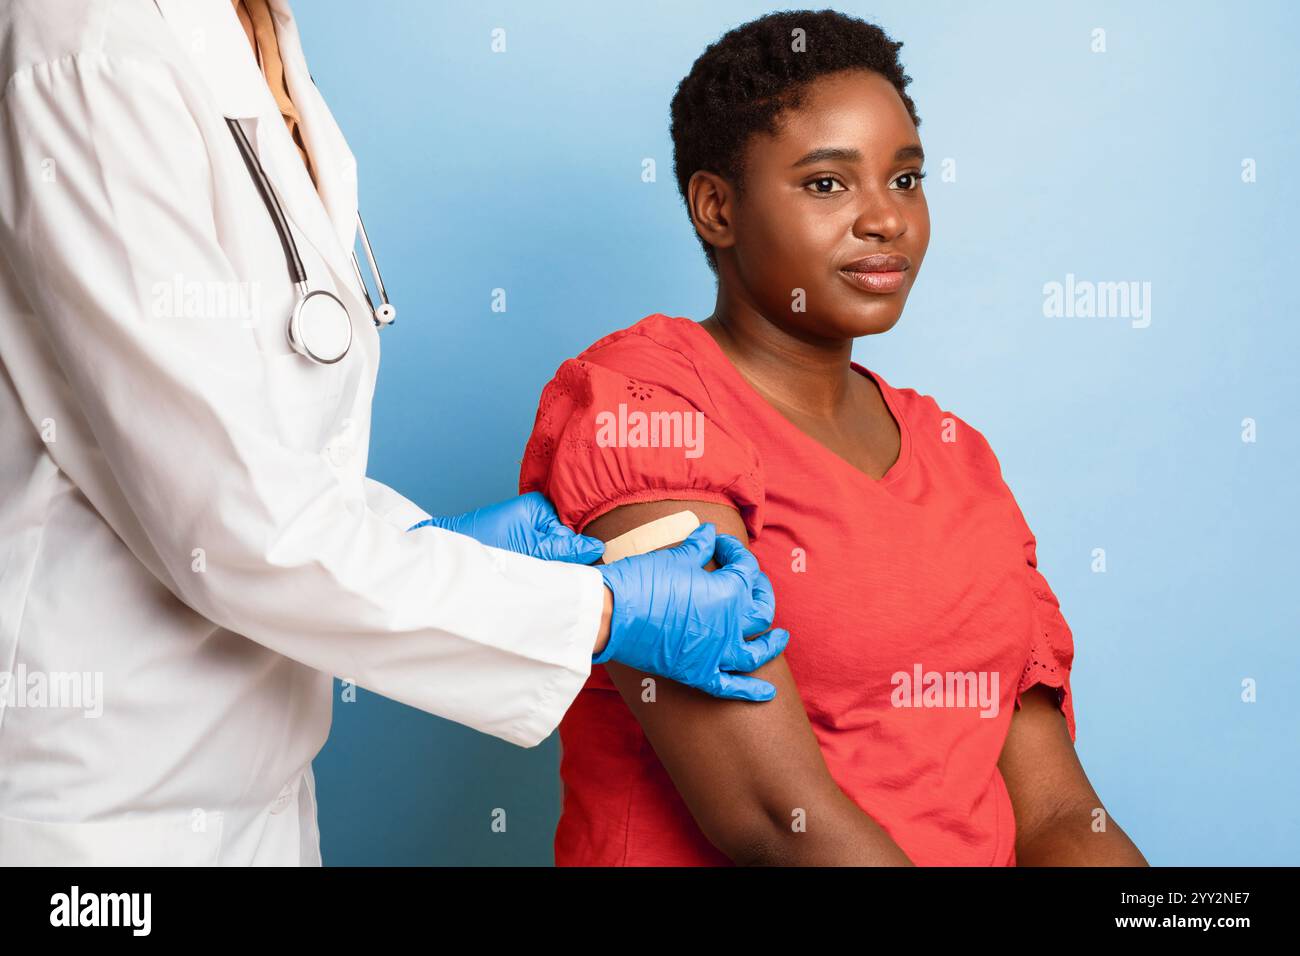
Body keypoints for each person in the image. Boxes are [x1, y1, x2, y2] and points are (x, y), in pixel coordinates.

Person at [0, 0, 787, 866]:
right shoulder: (90, 41)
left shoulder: (252, 26)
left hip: (253, 780)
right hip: (101, 802)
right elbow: (229, 524)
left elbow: (247, 454)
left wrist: (416, 540)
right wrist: (601, 612)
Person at [520, 10, 1147, 865]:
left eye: (906, 179)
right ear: (717, 208)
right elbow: (777, 821)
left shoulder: (956, 455)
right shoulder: (646, 409)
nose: (885, 219)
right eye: (827, 184)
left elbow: (1057, 815)